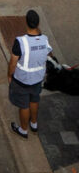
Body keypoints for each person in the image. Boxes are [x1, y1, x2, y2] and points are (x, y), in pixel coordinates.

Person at [8, 9, 52, 137]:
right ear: (38, 24)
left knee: (24, 105)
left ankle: (23, 130)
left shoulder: (20, 41)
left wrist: (9, 75)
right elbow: (49, 53)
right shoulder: (44, 39)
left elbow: (13, 62)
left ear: (26, 23)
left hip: (22, 80)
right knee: (34, 100)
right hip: (38, 79)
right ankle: (34, 123)